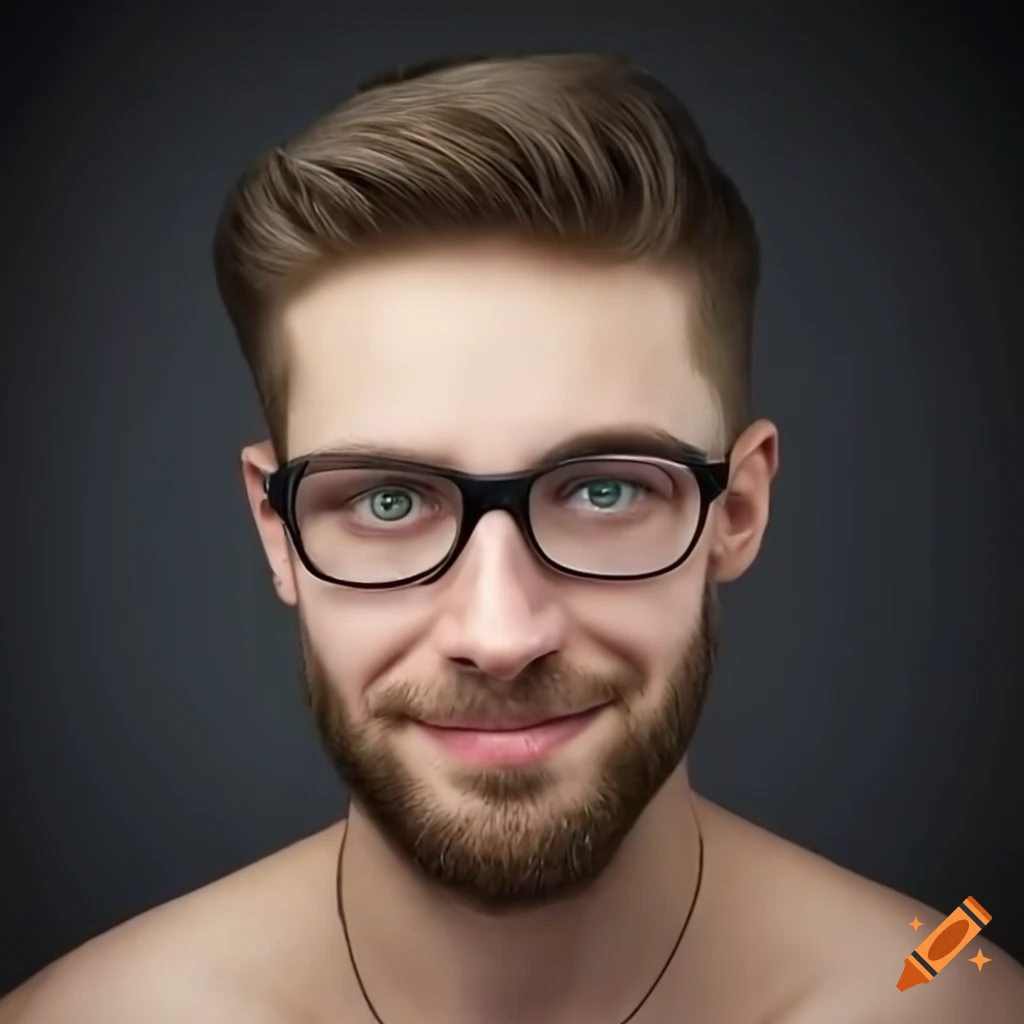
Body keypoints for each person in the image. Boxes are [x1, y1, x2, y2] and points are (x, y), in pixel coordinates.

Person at [3, 51, 1022, 1024]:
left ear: (738, 508)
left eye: (606, 489)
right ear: (276, 529)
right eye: (390, 500)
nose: (500, 632)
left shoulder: (954, 994)